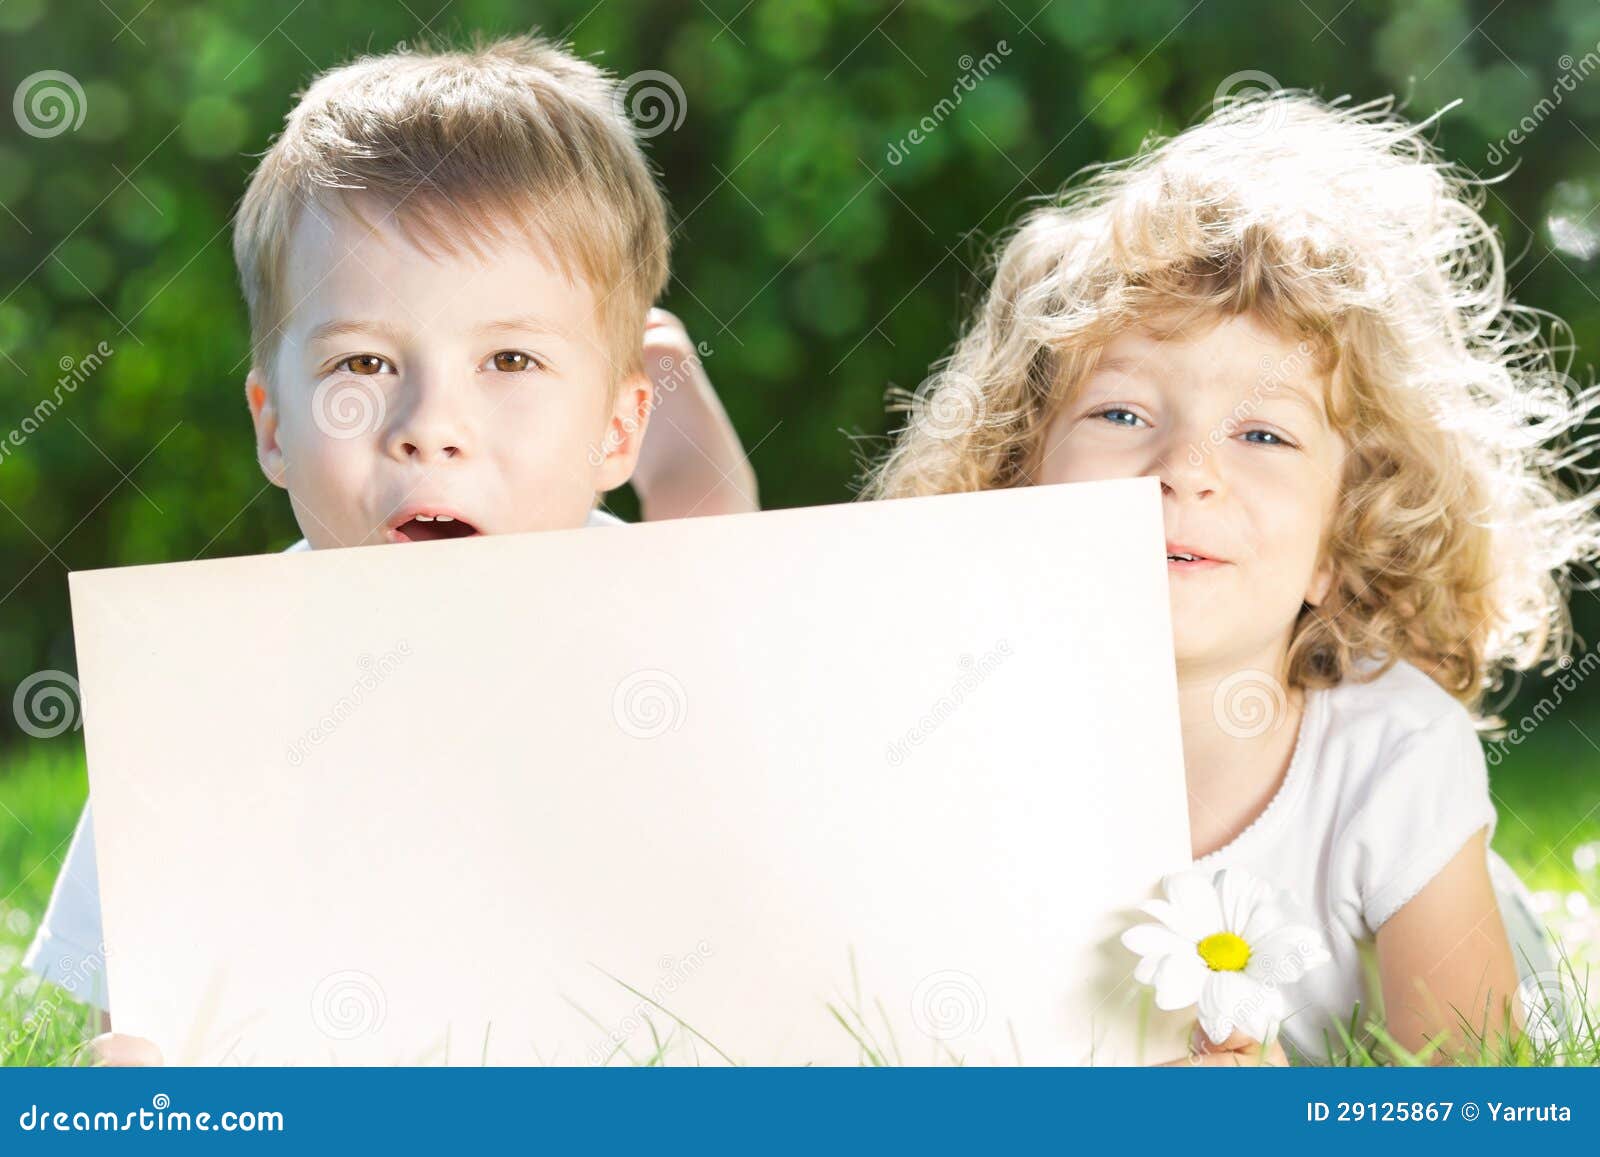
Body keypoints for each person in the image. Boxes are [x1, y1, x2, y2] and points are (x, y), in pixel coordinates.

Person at [864, 91, 1598, 1064]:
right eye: (1121, 414)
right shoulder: (958, 735)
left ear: (1342, 537)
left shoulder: (1390, 755)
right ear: (1014, 474)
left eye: (1262, 433)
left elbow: (1474, 1094)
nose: (1186, 468)